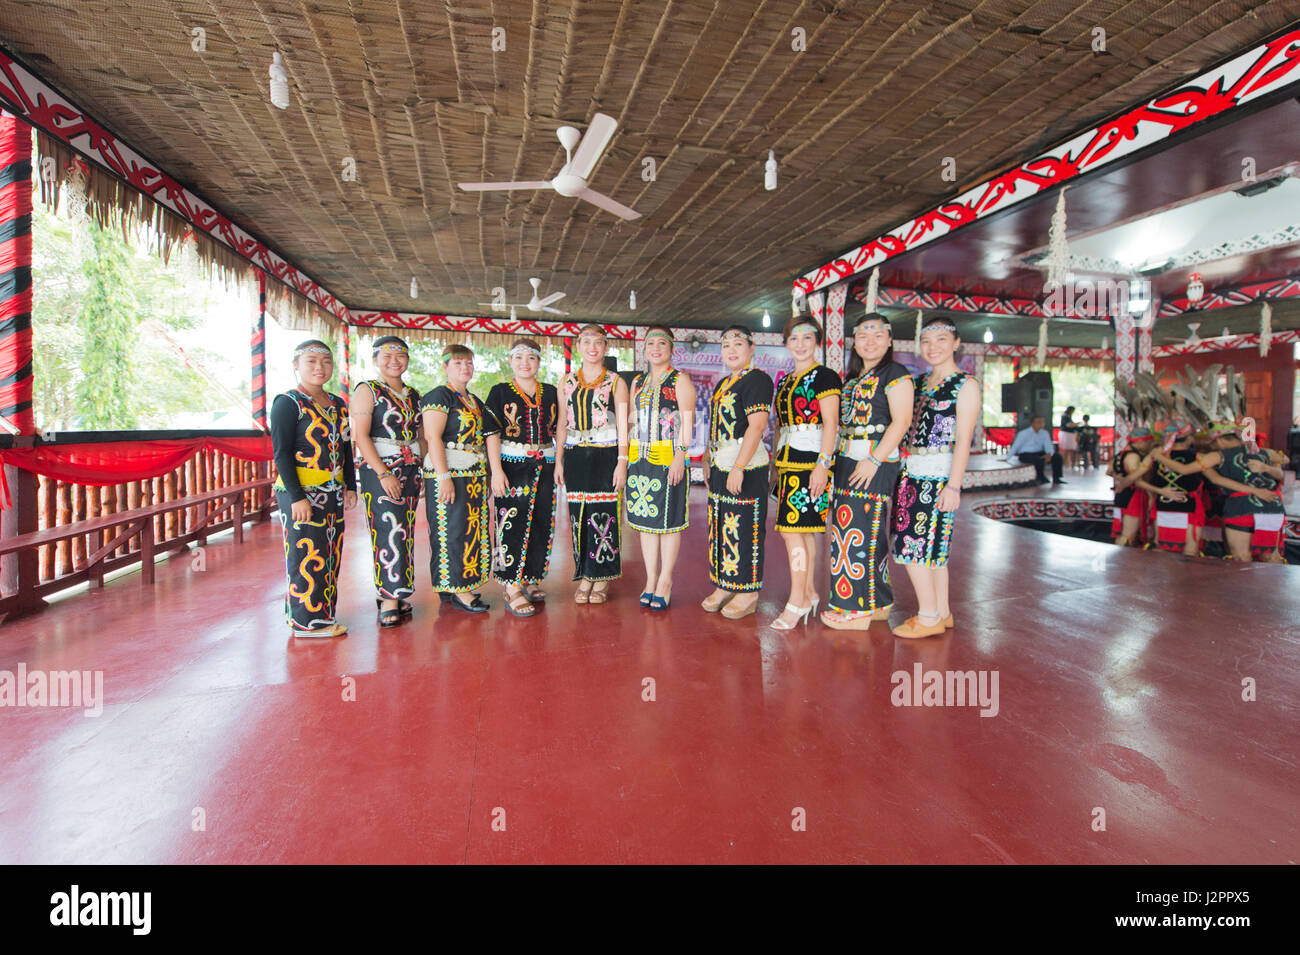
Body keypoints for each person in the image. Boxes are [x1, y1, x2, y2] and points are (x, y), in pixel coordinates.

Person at [821, 313, 914, 631]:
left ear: (889, 340)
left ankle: (857, 610)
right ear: (854, 342)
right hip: (849, 459)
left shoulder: (895, 373)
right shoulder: (853, 378)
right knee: (850, 533)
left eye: (877, 335)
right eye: (863, 336)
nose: (870, 342)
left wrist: (874, 459)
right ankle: (878, 603)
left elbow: (901, 421)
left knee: (862, 532)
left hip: (873, 460)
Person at [891, 317, 979, 639]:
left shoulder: (965, 384)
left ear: (956, 343)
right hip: (910, 469)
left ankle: (927, 617)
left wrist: (954, 485)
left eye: (941, 339)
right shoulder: (917, 383)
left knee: (913, 546)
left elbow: (964, 438)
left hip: (938, 473)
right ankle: (942, 611)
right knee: (933, 553)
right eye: (926, 341)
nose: (933, 347)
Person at [270, 339, 357, 638]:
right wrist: (296, 497)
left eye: (326, 361)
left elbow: (346, 446)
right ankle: (308, 624)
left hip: (332, 490)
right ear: (296, 365)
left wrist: (350, 485)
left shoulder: (338, 404)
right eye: (311, 361)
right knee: (305, 554)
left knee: (329, 553)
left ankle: (321, 614)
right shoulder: (288, 402)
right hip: (302, 492)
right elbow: (281, 453)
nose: (319, 368)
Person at [701, 324, 774, 620]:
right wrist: (707, 457)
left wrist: (738, 467)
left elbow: (756, 427)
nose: (731, 351)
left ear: (751, 348)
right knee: (719, 525)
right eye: (725, 346)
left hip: (745, 463)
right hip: (720, 460)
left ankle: (747, 592)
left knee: (745, 528)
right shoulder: (723, 384)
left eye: (738, 344)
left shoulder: (758, 380)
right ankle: (723, 584)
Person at [351, 335, 425, 628]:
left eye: (401, 355)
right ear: (375, 359)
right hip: (381, 471)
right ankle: (389, 597)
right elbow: (360, 435)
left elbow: (420, 434)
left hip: (409, 469)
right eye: (387, 356)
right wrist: (382, 472)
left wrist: (418, 463)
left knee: (404, 531)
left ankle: (397, 592)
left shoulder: (414, 394)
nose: (394, 361)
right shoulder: (367, 390)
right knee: (387, 529)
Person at [555, 324, 629, 604]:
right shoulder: (567, 382)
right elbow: (562, 422)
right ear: (578, 346)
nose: (592, 347)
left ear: (606, 347)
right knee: (578, 515)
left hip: (606, 454)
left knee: (604, 513)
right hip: (575, 455)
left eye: (598, 342)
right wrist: (559, 460)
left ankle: (603, 575)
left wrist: (622, 462)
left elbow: (623, 425)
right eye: (586, 342)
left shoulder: (615, 382)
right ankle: (585, 573)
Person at [485, 338, 559, 617]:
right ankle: (511, 585)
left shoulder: (550, 392)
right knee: (509, 523)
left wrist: (559, 461)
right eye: (518, 358)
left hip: (545, 464)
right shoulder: (500, 391)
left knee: (541, 522)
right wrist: (497, 470)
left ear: (539, 362)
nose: (525, 363)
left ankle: (530, 577)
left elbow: (560, 428)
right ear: (510, 361)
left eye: (531, 358)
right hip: (512, 465)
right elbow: (492, 432)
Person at [421, 344, 498, 612]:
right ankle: (457, 588)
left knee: (470, 530)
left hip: (472, 474)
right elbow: (432, 437)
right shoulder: (439, 396)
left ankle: (458, 584)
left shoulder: (474, 401)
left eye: (468, 363)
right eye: (457, 363)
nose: (465, 368)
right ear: (445, 367)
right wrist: (443, 477)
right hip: (450, 473)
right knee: (451, 531)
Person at [625, 324, 695, 610]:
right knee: (645, 523)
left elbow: (687, 421)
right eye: (651, 344)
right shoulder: (638, 383)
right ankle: (650, 579)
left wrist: (681, 455)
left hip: (669, 458)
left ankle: (665, 580)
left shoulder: (680, 380)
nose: (656, 349)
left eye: (661, 344)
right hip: (640, 458)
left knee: (668, 522)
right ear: (644, 350)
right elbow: (632, 422)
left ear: (671, 349)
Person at [1151, 423, 1284, 561]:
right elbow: (1281, 471)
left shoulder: (1218, 456)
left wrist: (1159, 456)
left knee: (1241, 557)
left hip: (1242, 506)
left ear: (1220, 440)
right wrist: (1266, 468)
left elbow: (1186, 470)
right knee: (1272, 556)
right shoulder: (1266, 452)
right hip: (1272, 505)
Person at [1146, 420, 1205, 556]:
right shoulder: (1198, 457)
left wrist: (1158, 491)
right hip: (1188, 505)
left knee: (1161, 547)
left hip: (1163, 503)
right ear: (1189, 438)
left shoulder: (1155, 456)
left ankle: (1163, 576)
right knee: (1190, 549)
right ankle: (1185, 576)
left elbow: (1139, 479)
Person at [1109, 426, 1156, 547]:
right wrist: (1158, 491)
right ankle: (1122, 562)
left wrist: (1121, 479)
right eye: (1148, 443)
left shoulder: (1120, 454)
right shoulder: (1133, 456)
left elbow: (1109, 471)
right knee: (1128, 535)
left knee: (1124, 533)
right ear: (1140, 442)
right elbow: (1137, 481)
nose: (1149, 446)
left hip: (1123, 495)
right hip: (1133, 497)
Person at [1008, 415, 1065, 485]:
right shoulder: (1023, 433)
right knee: (1037, 460)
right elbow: (1015, 447)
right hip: (1026, 454)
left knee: (1057, 457)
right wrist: (1007, 458)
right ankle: (1040, 477)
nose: (1041, 424)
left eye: (1042, 422)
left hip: (1039, 452)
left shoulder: (1045, 433)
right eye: (1038, 422)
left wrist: (1049, 454)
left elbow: (1048, 445)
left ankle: (1057, 478)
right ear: (1032, 423)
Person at [1058, 406, 1078, 471]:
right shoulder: (1065, 416)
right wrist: (1075, 424)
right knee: (1066, 450)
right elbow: (1068, 425)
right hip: (1066, 434)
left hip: (1070, 434)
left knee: (1070, 450)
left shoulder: (1068, 416)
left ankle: (1069, 463)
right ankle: (1065, 463)